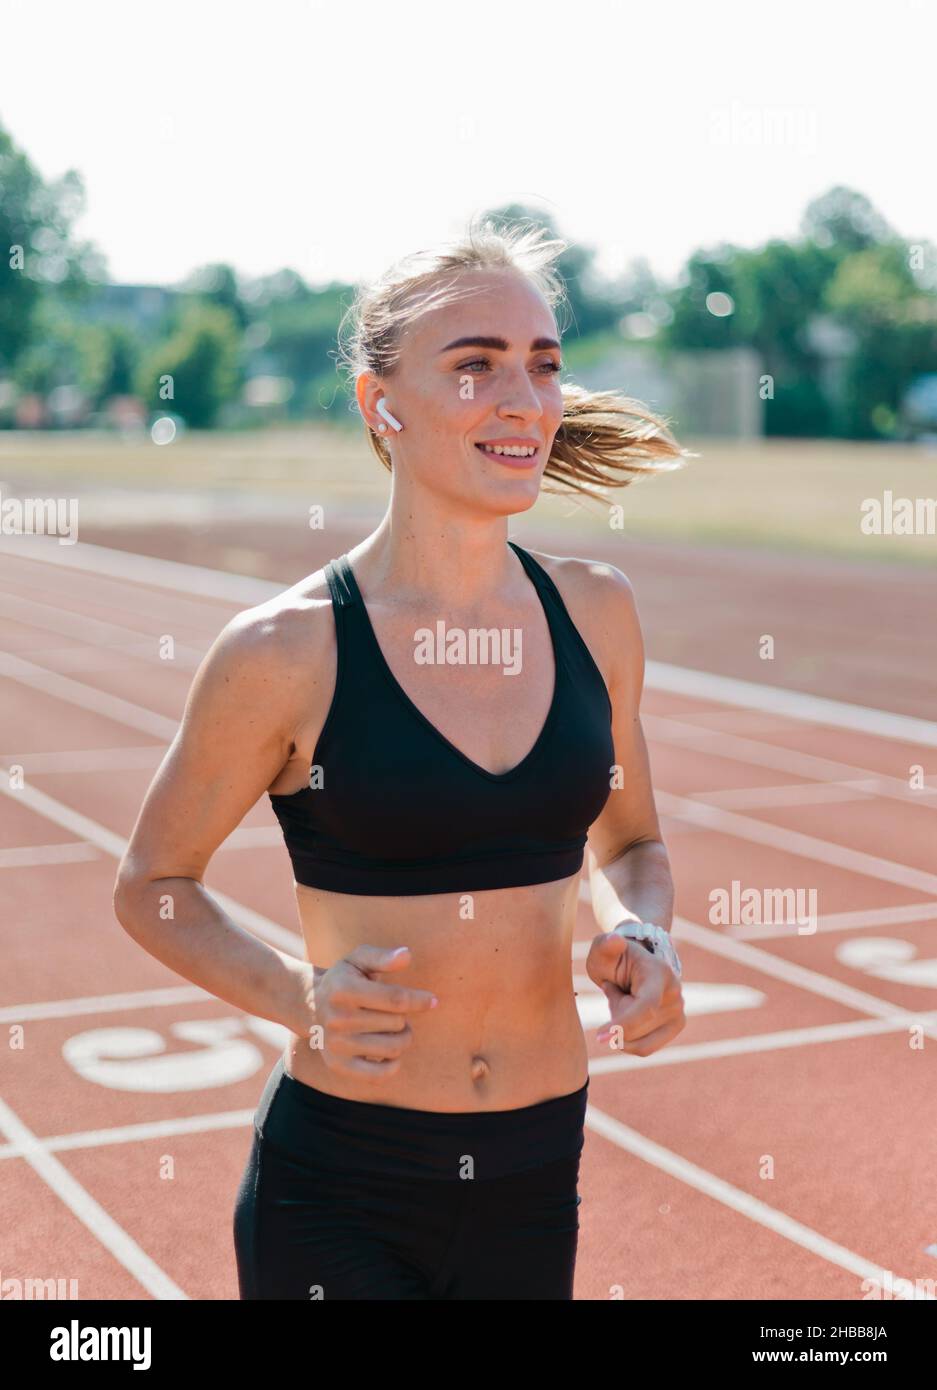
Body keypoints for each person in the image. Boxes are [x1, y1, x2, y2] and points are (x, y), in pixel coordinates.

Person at [113, 218, 689, 1300]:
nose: (522, 397)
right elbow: (152, 884)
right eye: (475, 365)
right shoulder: (286, 649)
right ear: (383, 406)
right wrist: (296, 993)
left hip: (533, 1177)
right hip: (340, 1189)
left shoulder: (596, 614)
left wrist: (639, 933)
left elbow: (633, 839)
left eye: (543, 362)